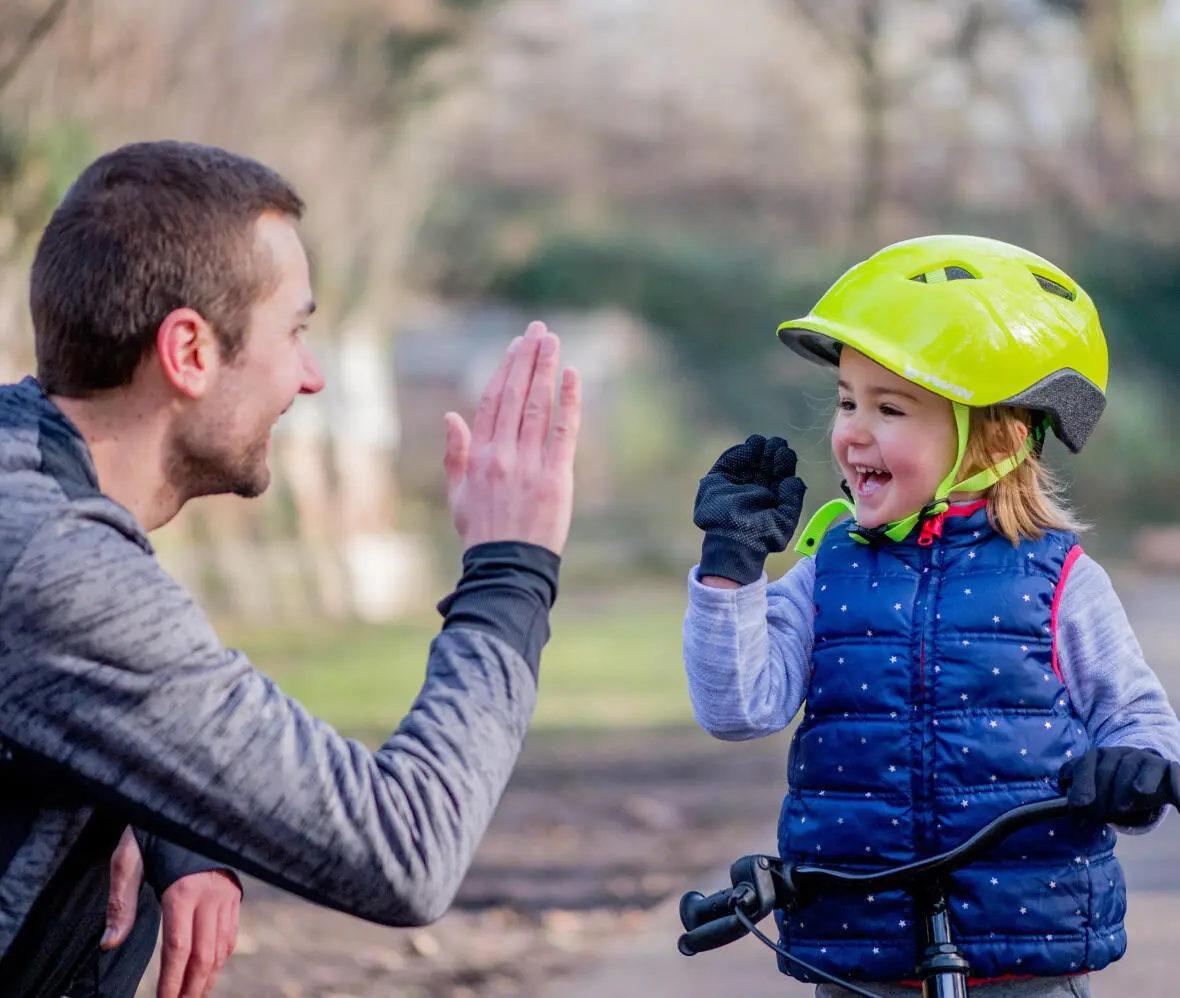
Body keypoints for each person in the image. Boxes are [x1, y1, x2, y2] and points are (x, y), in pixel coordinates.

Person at [0, 140, 581, 998]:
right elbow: (404, 847)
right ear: (190, 352)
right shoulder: (50, 562)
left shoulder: (30, 483)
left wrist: (171, 825)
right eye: (295, 331)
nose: (310, 377)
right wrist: (511, 570)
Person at [682, 234, 1180, 997]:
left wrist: (1134, 772)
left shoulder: (1060, 581)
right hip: (860, 944)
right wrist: (731, 566)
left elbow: (1140, 724)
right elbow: (737, 706)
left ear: (994, 436)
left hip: (1024, 950)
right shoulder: (830, 570)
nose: (853, 431)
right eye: (848, 401)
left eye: (891, 408)